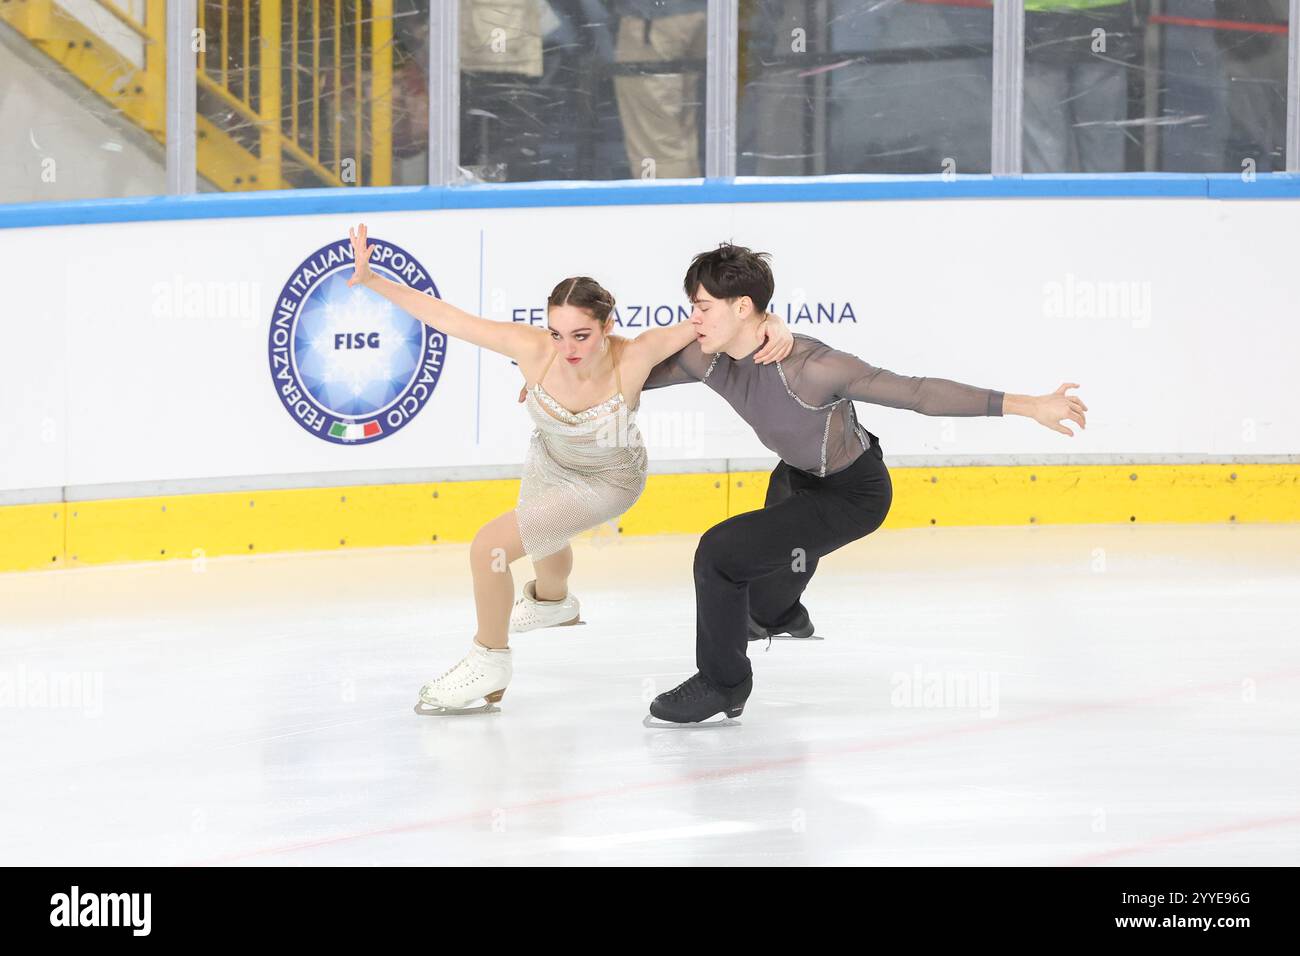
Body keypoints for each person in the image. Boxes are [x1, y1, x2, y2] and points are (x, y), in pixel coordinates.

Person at [342, 224, 793, 715]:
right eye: (558, 334)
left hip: (610, 480)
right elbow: (449, 319)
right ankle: (554, 603)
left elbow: (726, 322)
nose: (568, 347)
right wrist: (371, 281)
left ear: (607, 325)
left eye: (582, 334)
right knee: (545, 557)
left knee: (489, 547)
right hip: (550, 461)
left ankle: (489, 661)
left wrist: (776, 323)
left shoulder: (636, 354)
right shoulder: (533, 350)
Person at [638, 244, 1088, 725]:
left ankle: (723, 685)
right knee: (762, 603)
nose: (693, 319)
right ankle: (782, 613)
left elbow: (917, 393)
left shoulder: (812, 367)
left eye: (702, 307)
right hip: (795, 477)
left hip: (853, 494)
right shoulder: (708, 360)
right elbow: (633, 371)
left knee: (719, 554)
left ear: (743, 307)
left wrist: (1028, 405)